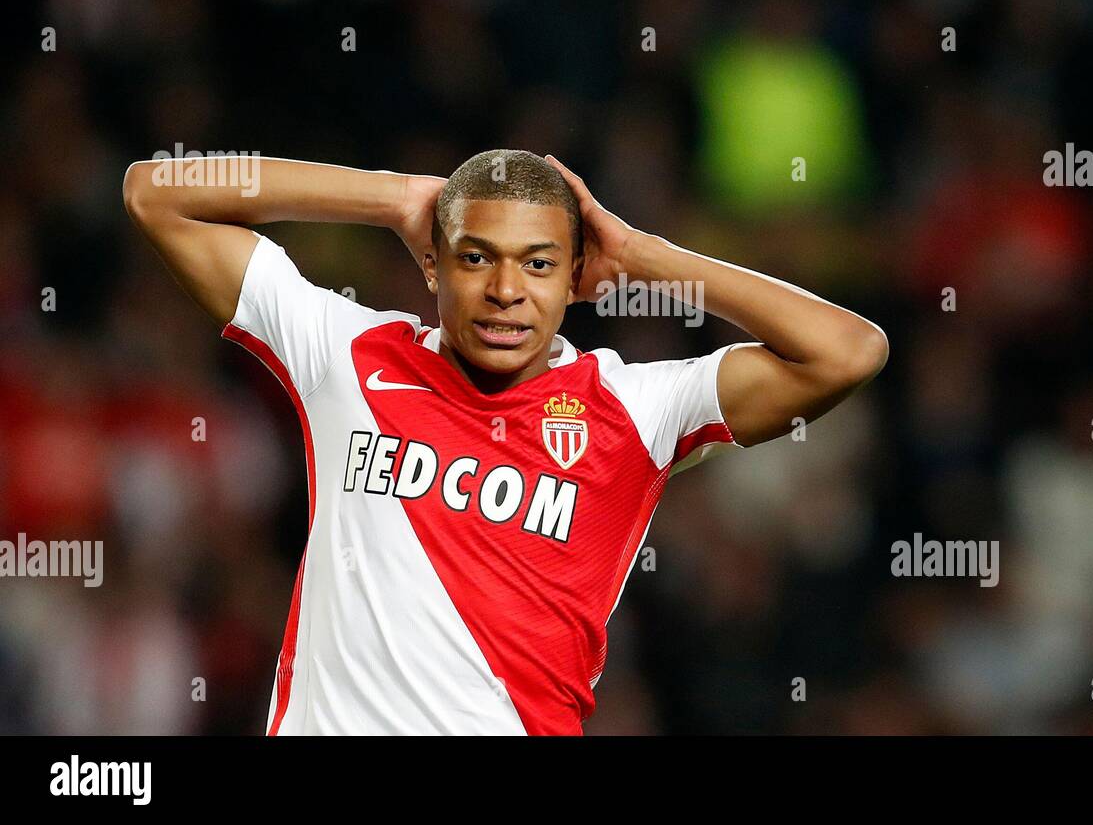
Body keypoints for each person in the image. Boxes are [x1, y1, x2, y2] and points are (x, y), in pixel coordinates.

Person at [123, 148, 888, 734]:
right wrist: (396, 196)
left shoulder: (636, 408)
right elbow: (155, 194)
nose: (506, 292)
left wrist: (645, 255)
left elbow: (849, 351)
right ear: (432, 262)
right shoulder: (347, 355)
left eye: (540, 264)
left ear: (576, 278)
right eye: (475, 256)